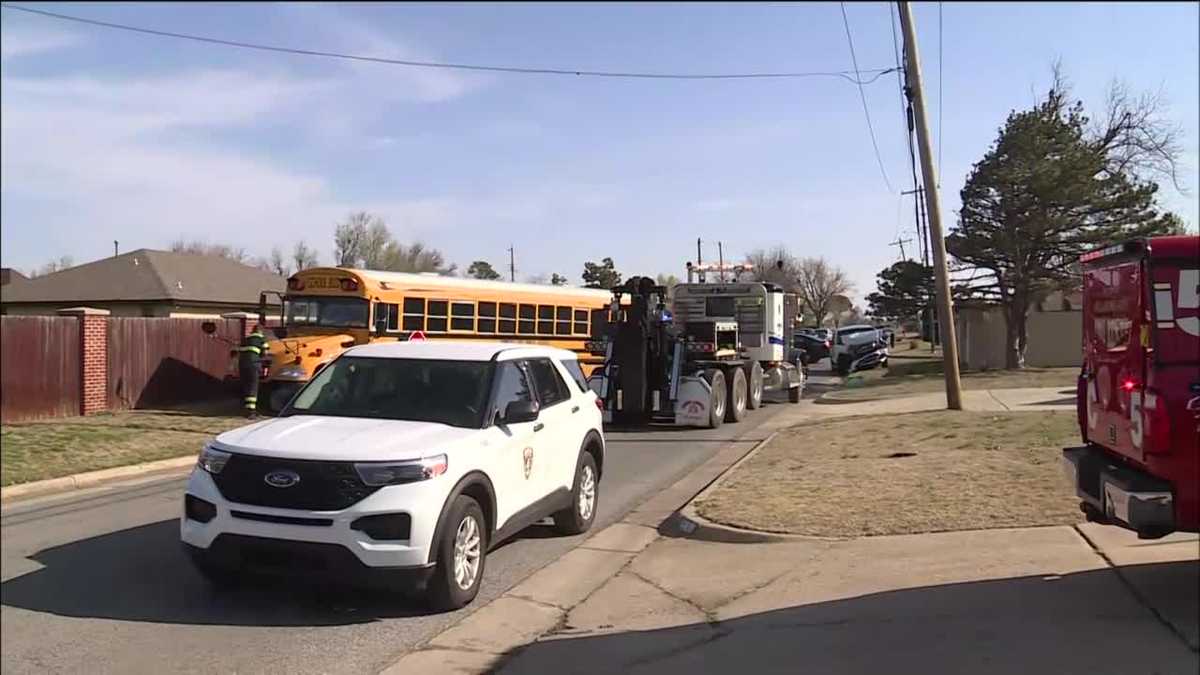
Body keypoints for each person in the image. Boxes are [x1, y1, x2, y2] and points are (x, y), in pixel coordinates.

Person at [234, 324, 269, 418]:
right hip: (253, 365)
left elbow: (238, 353)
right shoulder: (262, 338)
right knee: (253, 387)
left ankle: (246, 409)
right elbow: (265, 353)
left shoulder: (246, 339)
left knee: (246, 386)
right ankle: (251, 412)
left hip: (242, 365)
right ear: (261, 331)